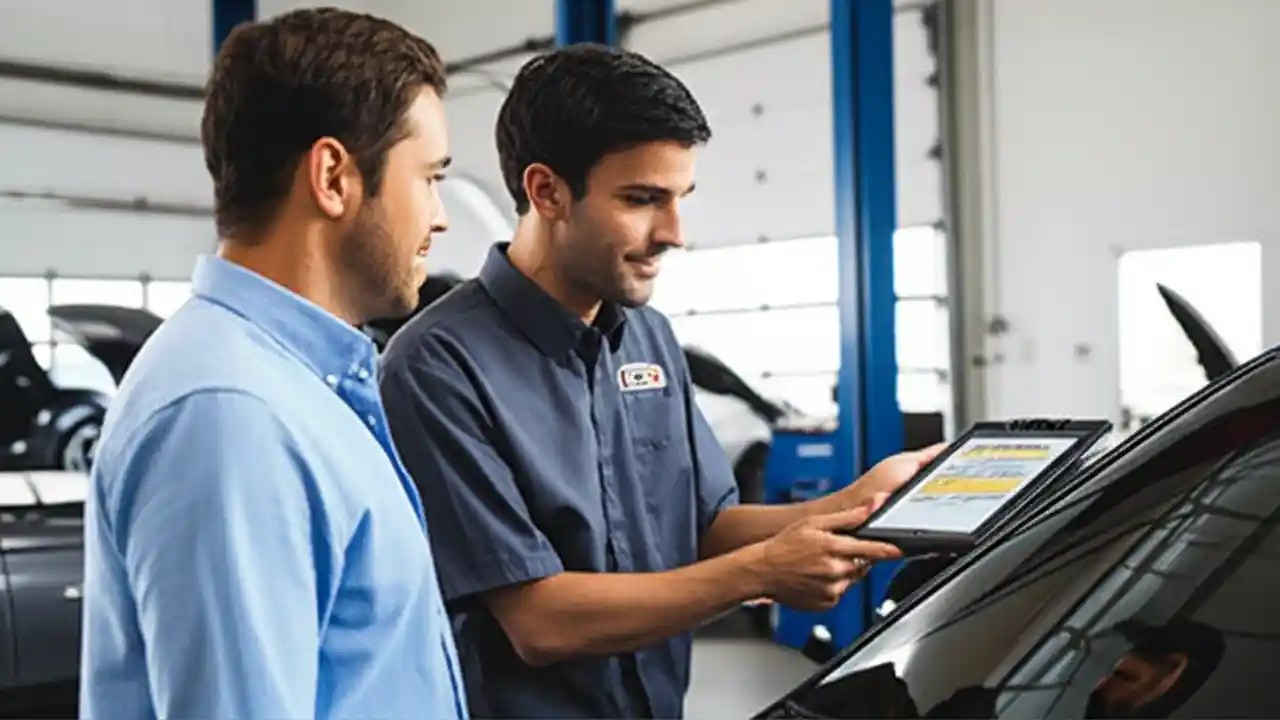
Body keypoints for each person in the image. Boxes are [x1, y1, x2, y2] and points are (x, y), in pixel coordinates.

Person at [379, 43, 939, 719]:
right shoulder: (435, 367)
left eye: (680, 198)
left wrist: (854, 504)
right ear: (546, 190)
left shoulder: (647, 337)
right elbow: (539, 620)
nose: (674, 232)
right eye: (642, 199)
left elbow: (703, 527)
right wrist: (762, 574)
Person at [79, 8, 466, 719]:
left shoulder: (291, 384)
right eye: (430, 178)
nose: (439, 217)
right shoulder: (231, 415)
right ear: (332, 177)